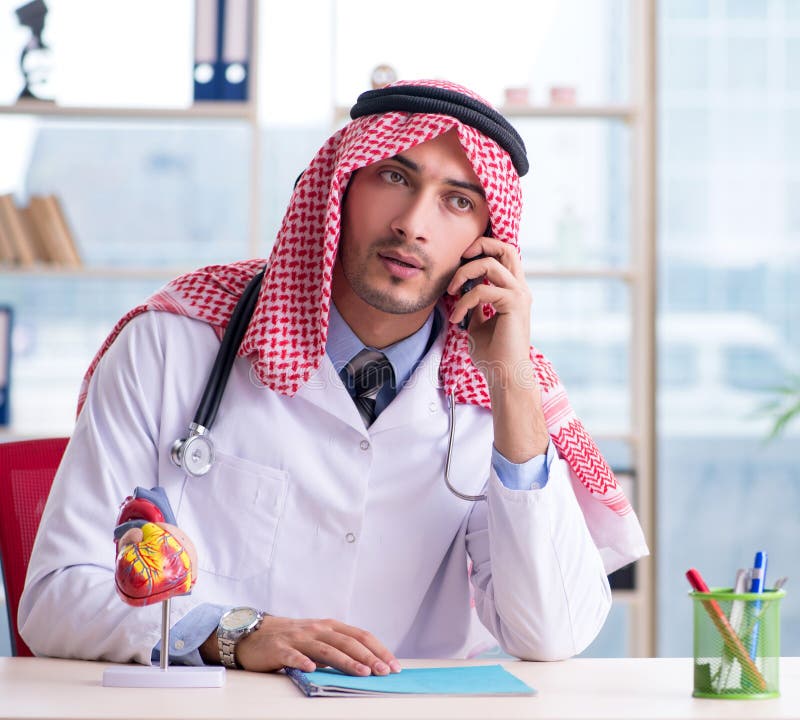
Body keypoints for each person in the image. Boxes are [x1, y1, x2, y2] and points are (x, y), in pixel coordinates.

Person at [19, 79, 648, 675]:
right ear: (337, 190)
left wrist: (512, 383)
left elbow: (550, 634)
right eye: (394, 176)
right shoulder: (173, 344)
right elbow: (55, 598)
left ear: (485, 243)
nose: (413, 223)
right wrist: (231, 631)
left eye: (458, 200)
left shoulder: (494, 392)